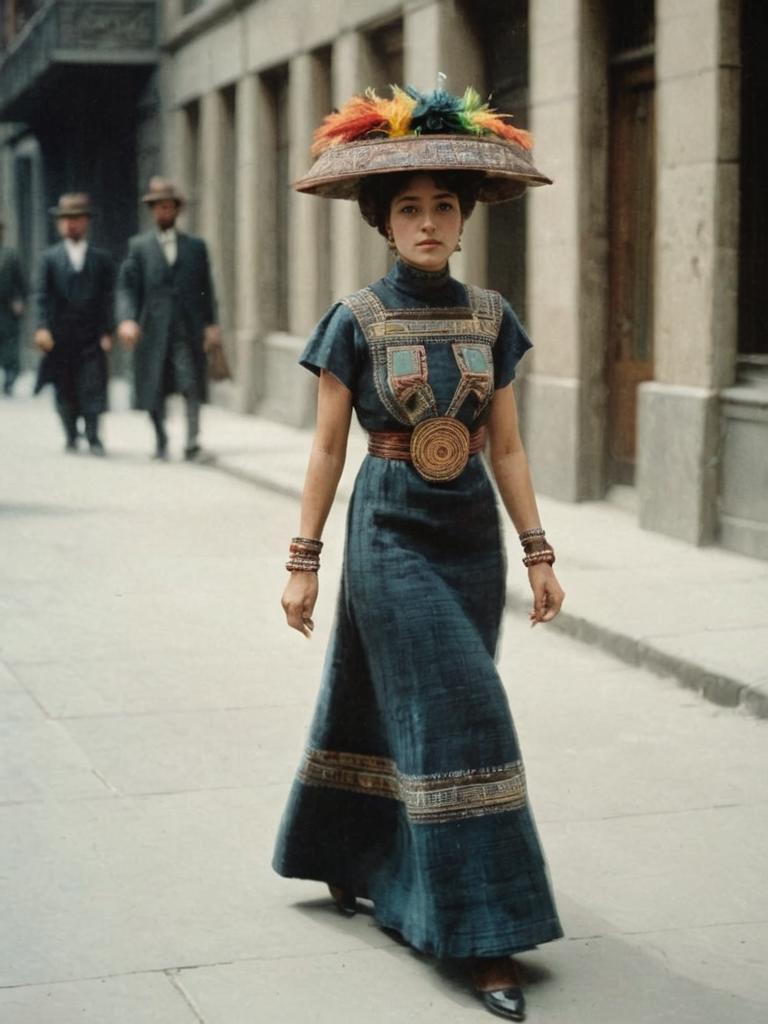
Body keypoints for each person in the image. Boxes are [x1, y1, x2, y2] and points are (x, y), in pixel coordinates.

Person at [274, 84, 565, 1021]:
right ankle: (484, 937)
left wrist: (537, 551)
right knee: (464, 712)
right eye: (410, 208)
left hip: (469, 536)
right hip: (390, 528)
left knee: (408, 709)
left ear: (466, 218)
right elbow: (326, 446)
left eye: (444, 205)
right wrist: (304, 556)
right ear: (383, 223)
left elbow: (509, 447)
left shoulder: (491, 317)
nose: (429, 221)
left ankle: (354, 852)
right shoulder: (354, 318)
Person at [115, 177, 221, 461]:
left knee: (191, 385)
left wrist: (211, 325)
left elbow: (206, 289)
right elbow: (127, 287)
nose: (163, 212)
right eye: (158, 207)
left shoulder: (195, 247)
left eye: (168, 206)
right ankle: (160, 438)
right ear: (152, 211)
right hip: (152, 331)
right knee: (154, 387)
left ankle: (191, 443)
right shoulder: (139, 247)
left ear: (176, 209)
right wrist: (127, 319)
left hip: (187, 330)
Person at [33, 193, 114, 454]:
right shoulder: (50, 259)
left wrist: (106, 330)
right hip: (60, 335)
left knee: (93, 386)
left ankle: (93, 435)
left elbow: (108, 297)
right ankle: (70, 433)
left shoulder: (100, 259)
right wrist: (43, 328)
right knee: (64, 387)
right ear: (59, 224)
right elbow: (42, 297)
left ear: (86, 222)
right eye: (66, 219)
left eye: (76, 219)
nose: (71, 225)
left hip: (91, 334)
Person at [0, 217, 27, 397]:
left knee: (10, 347)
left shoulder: (10, 255)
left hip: (6, 308)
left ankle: (10, 380)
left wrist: (20, 300)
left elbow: (21, 282)